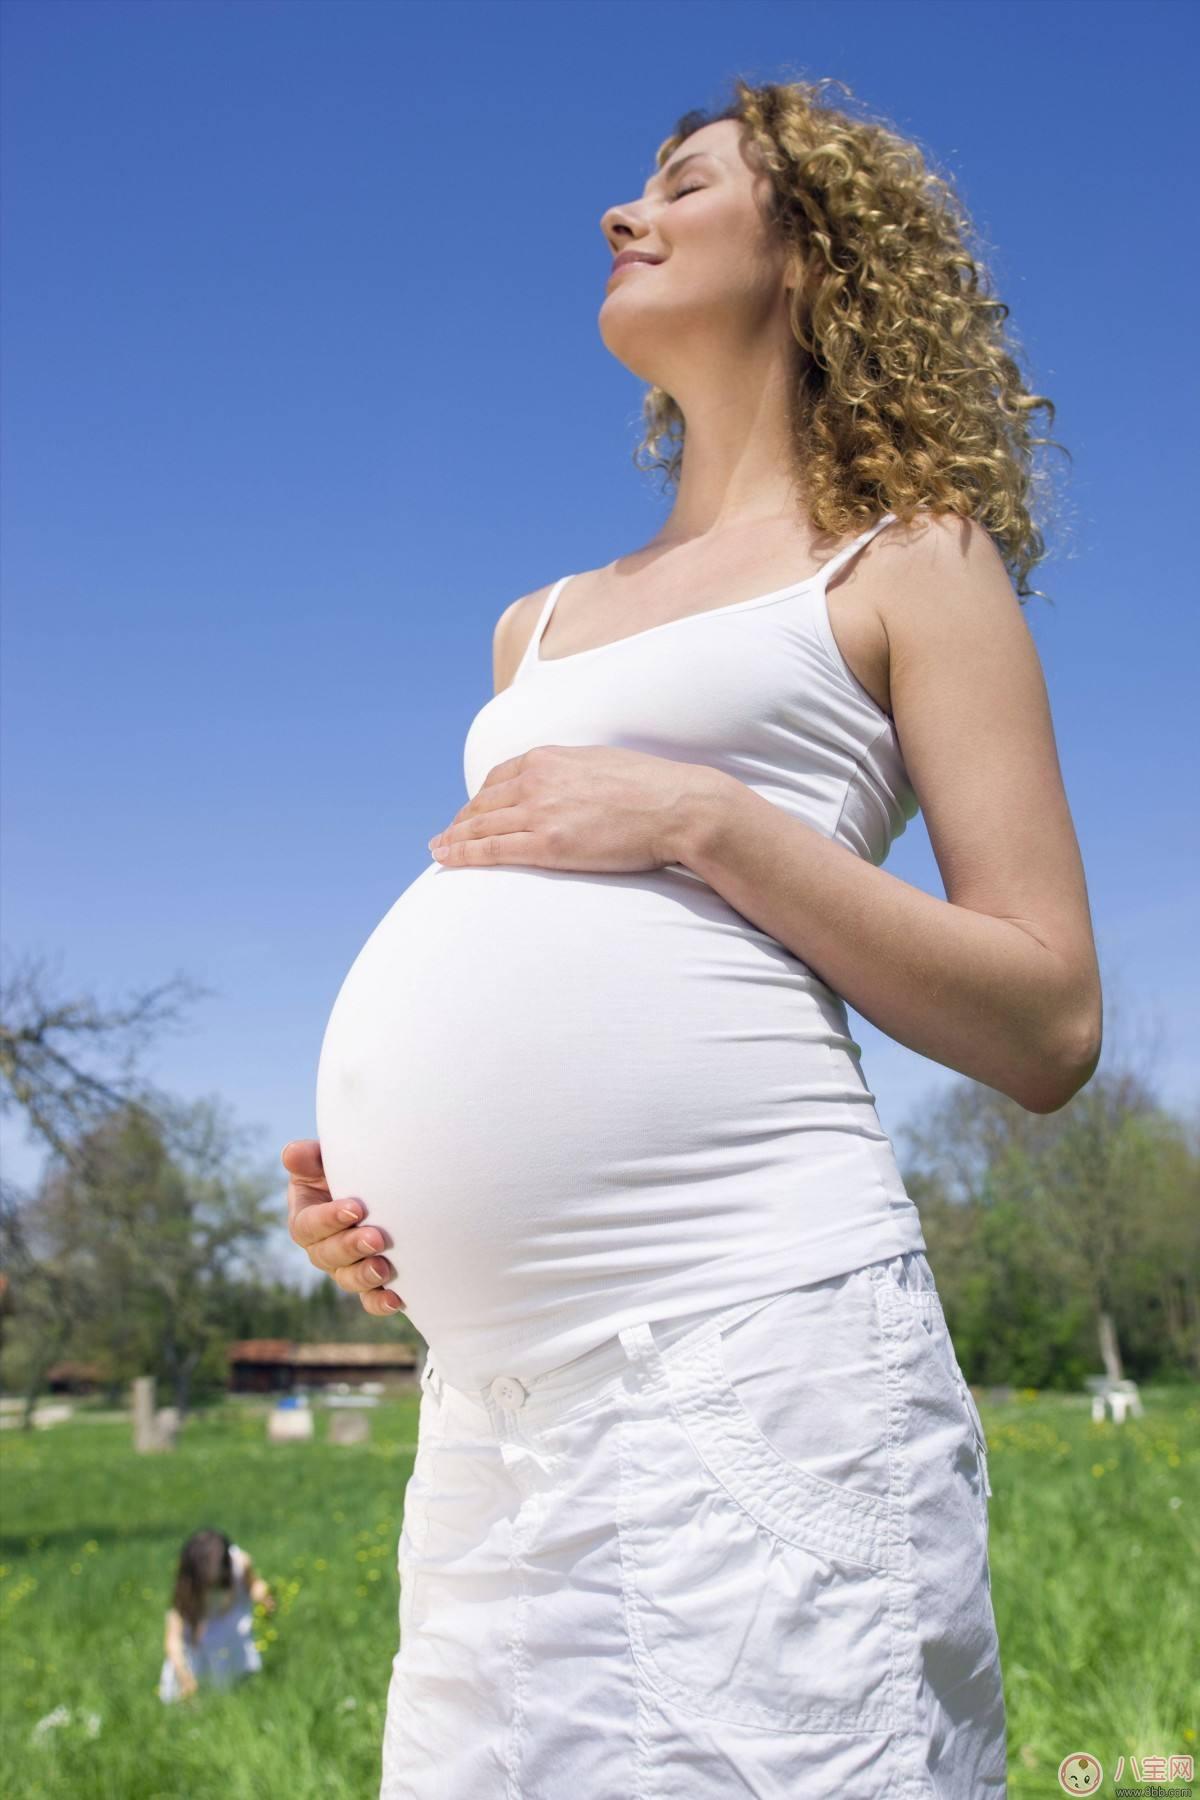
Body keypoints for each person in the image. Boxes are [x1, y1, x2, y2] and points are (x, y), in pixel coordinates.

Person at [286, 72, 1101, 1799]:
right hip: (495, 1410)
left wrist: (698, 818)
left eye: (681, 182)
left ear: (811, 254)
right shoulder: (539, 627)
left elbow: (1049, 1022)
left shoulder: (906, 559)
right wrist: (384, 1197)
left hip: (754, 1357)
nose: (619, 212)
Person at [158, 1528, 274, 1703]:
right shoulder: (188, 1588)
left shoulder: (240, 1563)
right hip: (196, 1650)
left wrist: (262, 1594)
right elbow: (173, 1640)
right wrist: (185, 1677)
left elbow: (254, 1584)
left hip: (230, 1635)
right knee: (197, 1698)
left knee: (235, 1690)